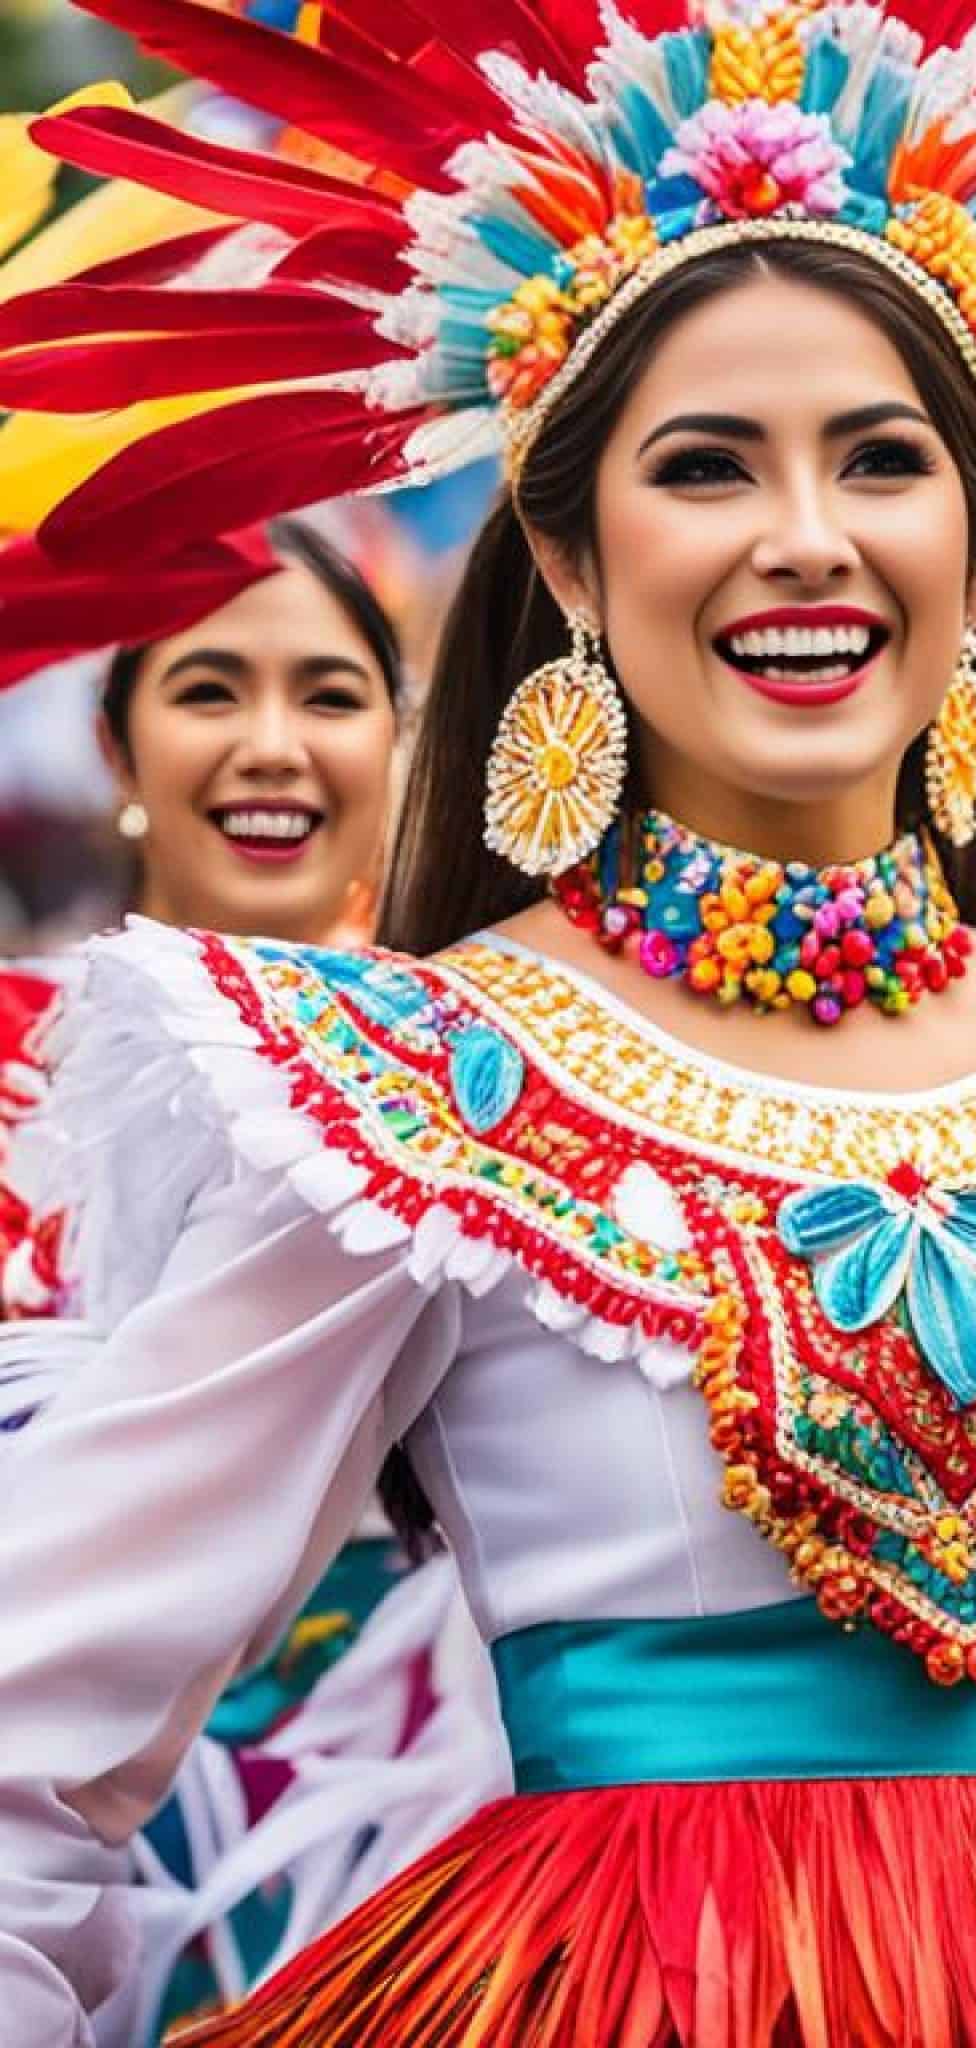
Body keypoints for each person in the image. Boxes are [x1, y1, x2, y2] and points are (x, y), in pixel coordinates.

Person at [0, 2, 976, 2040]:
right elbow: (39, 1747)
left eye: (884, 459)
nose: (807, 534)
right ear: (566, 551)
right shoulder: (400, 1097)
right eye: (706, 464)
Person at [0, 521, 502, 2045]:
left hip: (437, 1789)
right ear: (118, 744)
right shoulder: (13, 1053)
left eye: (331, 695)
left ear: (402, 738)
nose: (272, 746)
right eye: (211, 690)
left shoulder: (505, 1073)